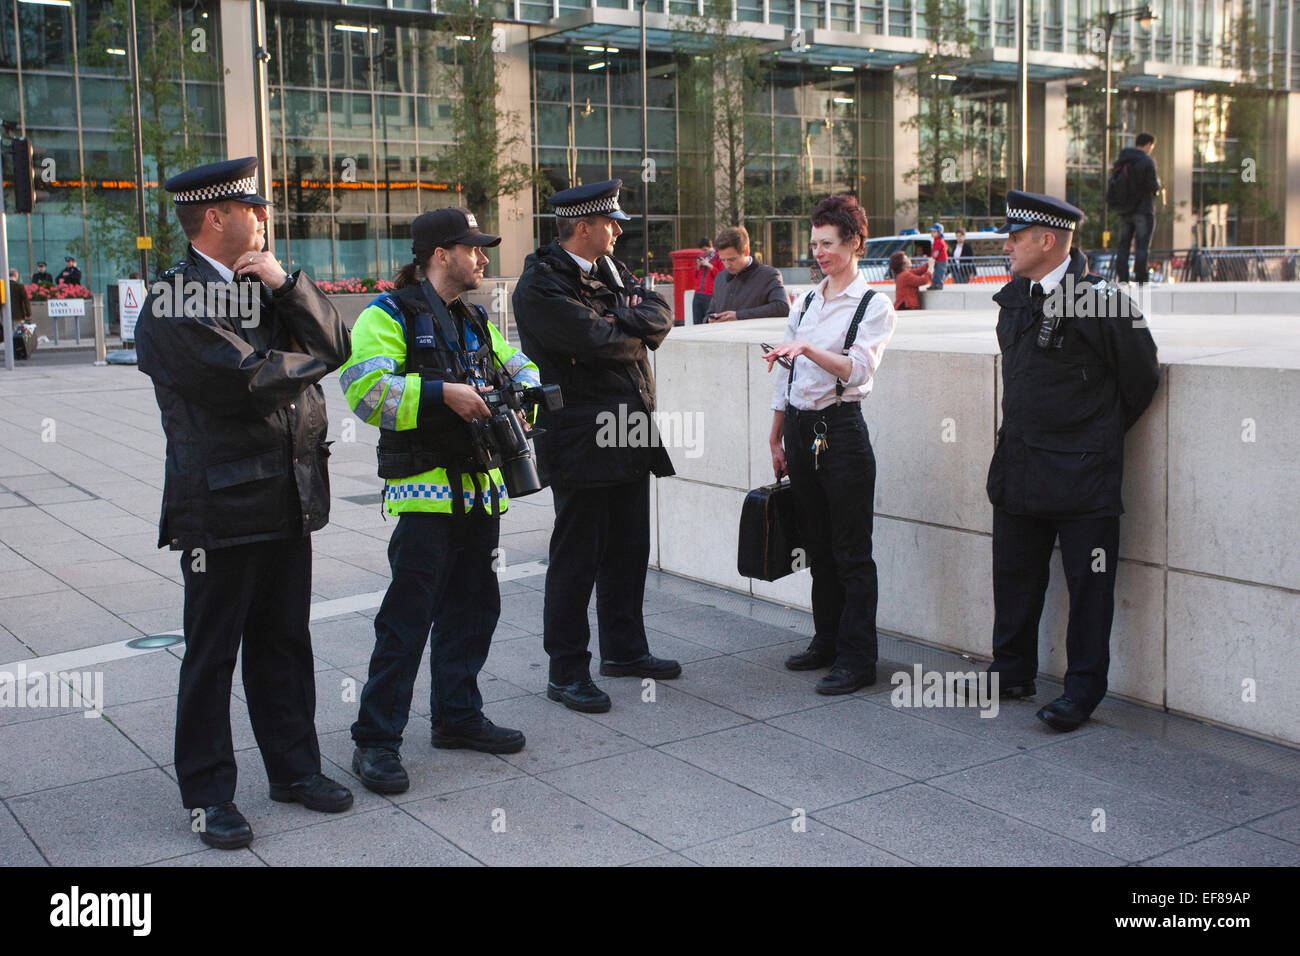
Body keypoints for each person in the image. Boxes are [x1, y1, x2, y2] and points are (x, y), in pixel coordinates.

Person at [134, 156, 353, 850]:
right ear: (215, 217)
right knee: (211, 654)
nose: (263, 219)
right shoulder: (173, 301)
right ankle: (208, 795)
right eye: (252, 209)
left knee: (284, 643)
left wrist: (289, 286)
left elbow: (336, 340)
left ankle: (294, 769)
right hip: (220, 510)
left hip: (288, 495)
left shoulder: (266, 287)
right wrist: (313, 359)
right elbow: (247, 380)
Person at [342, 207, 537, 794]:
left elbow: (516, 363)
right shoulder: (388, 313)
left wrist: (528, 389)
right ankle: (375, 741)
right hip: (426, 493)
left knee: (475, 608)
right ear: (439, 254)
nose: (482, 258)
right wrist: (441, 393)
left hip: (480, 489)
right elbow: (364, 388)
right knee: (407, 620)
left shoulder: (473, 319)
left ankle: (457, 715)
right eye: (472, 248)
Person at [981, 190, 1159, 732]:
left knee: (1089, 586)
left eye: (1015, 237)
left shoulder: (1100, 299)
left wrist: (1093, 434)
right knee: (1014, 575)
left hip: (1083, 474)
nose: (1007, 246)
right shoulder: (1016, 296)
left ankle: (1082, 691)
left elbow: (1142, 376)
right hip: (1020, 466)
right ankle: (1010, 670)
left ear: (1047, 240)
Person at [512, 179, 681, 714]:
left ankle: (625, 652)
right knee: (577, 557)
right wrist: (624, 323)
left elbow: (660, 314)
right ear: (582, 227)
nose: (618, 229)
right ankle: (566, 671)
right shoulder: (539, 286)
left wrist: (623, 319)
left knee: (629, 549)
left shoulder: (611, 270)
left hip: (629, 426)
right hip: (580, 434)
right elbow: (599, 342)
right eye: (610, 222)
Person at [763, 193, 897, 695]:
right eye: (815, 243)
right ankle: (827, 640)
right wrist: (776, 435)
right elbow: (785, 373)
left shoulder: (873, 304)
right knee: (817, 544)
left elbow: (858, 368)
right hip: (800, 431)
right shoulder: (809, 299)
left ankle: (858, 658)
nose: (818, 252)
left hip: (840, 432)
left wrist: (809, 349)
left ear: (855, 243)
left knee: (850, 551)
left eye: (828, 243)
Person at [706, 225, 789, 322]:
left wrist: (739, 316)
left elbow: (783, 307)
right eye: (722, 260)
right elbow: (710, 313)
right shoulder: (720, 277)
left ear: (746, 251)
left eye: (732, 259)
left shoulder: (769, 275)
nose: (727, 265)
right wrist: (709, 319)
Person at [1111, 132, 1161, 285]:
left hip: (1125, 210)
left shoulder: (1122, 161)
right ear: (1147, 144)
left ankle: (1123, 279)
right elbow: (1153, 187)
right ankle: (1141, 279)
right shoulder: (1146, 162)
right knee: (1142, 244)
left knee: (1124, 244)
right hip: (1143, 209)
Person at [692, 237, 723, 325]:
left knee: (708, 321)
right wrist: (698, 267)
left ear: (711, 247)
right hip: (698, 293)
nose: (704, 252)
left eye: (705, 250)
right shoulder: (702, 257)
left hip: (710, 295)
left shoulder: (718, 257)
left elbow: (721, 276)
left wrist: (709, 265)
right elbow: (695, 276)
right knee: (696, 321)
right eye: (702, 250)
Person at [928, 223, 948, 289]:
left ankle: (939, 285)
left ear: (939, 233)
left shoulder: (939, 241)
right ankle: (934, 285)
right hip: (938, 260)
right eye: (931, 232)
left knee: (940, 273)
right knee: (935, 273)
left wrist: (932, 259)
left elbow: (936, 252)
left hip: (941, 260)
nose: (932, 233)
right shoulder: (936, 241)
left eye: (934, 232)